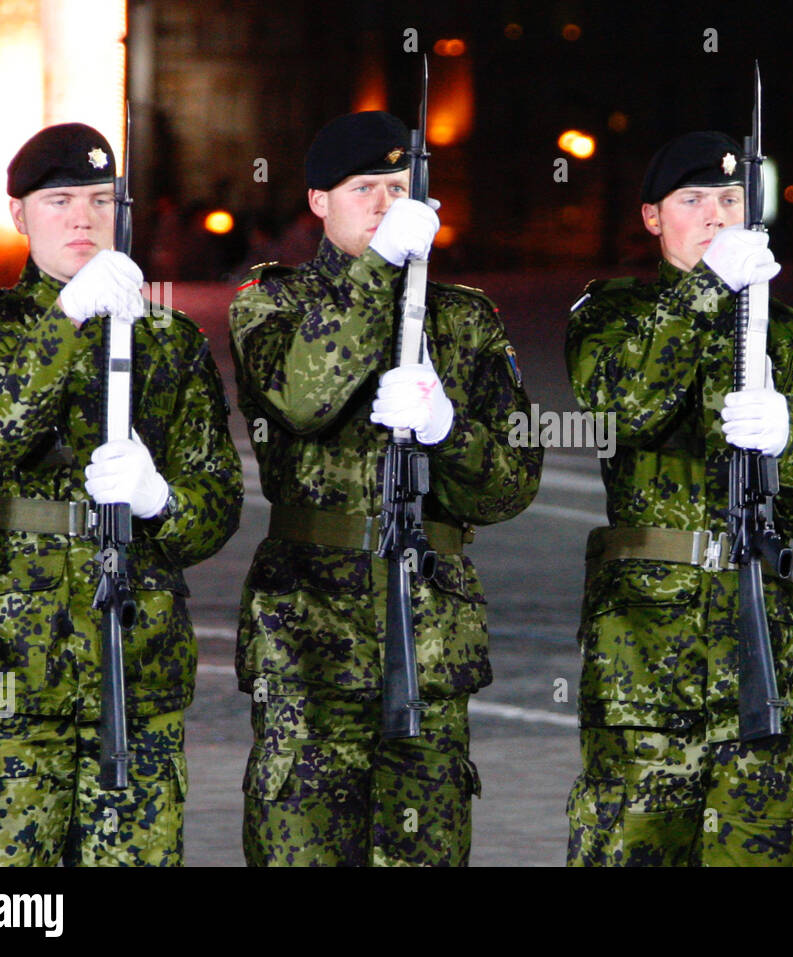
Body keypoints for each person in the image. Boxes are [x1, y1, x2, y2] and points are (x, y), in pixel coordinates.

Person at [229, 111, 542, 867]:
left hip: (430, 640)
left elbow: (510, 486)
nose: (382, 203)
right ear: (317, 201)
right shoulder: (271, 305)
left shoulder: (465, 319)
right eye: (362, 187)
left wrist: (448, 431)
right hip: (307, 640)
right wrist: (377, 275)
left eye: (397, 188)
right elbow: (304, 396)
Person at [0, 122, 243, 866]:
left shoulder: (170, 340)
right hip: (10, 670)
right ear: (19, 212)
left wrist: (160, 499)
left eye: (101, 201)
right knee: (5, 902)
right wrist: (69, 318)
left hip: (136, 667)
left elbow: (218, 504)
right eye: (60, 199)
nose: (82, 218)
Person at [564, 131, 793, 866]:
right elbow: (626, 402)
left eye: (731, 200)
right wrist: (709, 291)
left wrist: (786, 444)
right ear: (651, 218)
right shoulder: (609, 316)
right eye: (692, 200)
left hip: (755, 641)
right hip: (643, 650)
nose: (714, 216)